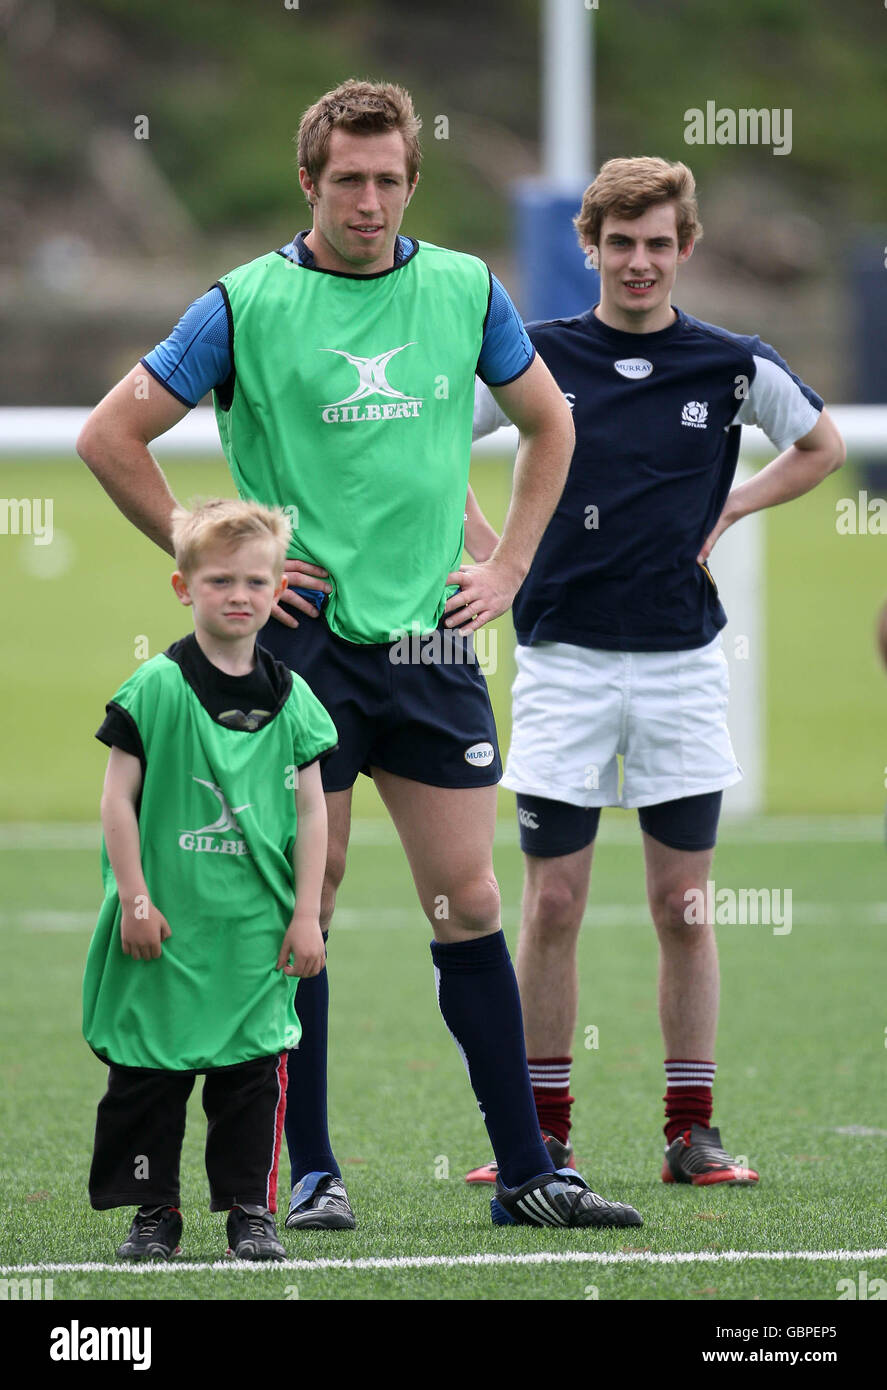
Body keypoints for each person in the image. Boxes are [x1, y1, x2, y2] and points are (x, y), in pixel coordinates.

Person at [76, 80, 642, 1231]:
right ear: (309, 182)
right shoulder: (242, 302)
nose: (370, 200)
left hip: (433, 643)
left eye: (388, 179)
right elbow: (108, 434)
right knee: (307, 902)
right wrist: (217, 553)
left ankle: (526, 1172)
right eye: (348, 180)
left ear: (410, 182)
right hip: (298, 653)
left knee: (469, 895)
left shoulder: (462, 290)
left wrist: (511, 569)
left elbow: (551, 424)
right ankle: (314, 1171)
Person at [468, 156, 846, 1187]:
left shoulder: (729, 363)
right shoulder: (533, 358)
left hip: (681, 664)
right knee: (550, 905)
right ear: (586, 247)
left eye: (657, 243)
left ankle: (690, 1131)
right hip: (560, 662)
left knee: (682, 905)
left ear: (686, 248)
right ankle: (539, 1134)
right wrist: (490, 551)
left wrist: (733, 505)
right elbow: (425, 446)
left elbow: (819, 445)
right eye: (618, 243)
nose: (638, 262)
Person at [83, 499, 337, 1260]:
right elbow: (115, 801)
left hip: (252, 933)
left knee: (250, 1078)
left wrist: (305, 917)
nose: (239, 595)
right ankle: (153, 1211)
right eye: (220, 579)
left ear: (276, 589)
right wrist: (134, 898)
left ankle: (248, 1213)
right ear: (182, 586)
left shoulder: (293, 697)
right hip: (164, 926)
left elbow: (315, 815)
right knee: (148, 1077)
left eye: (256, 581)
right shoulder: (154, 688)